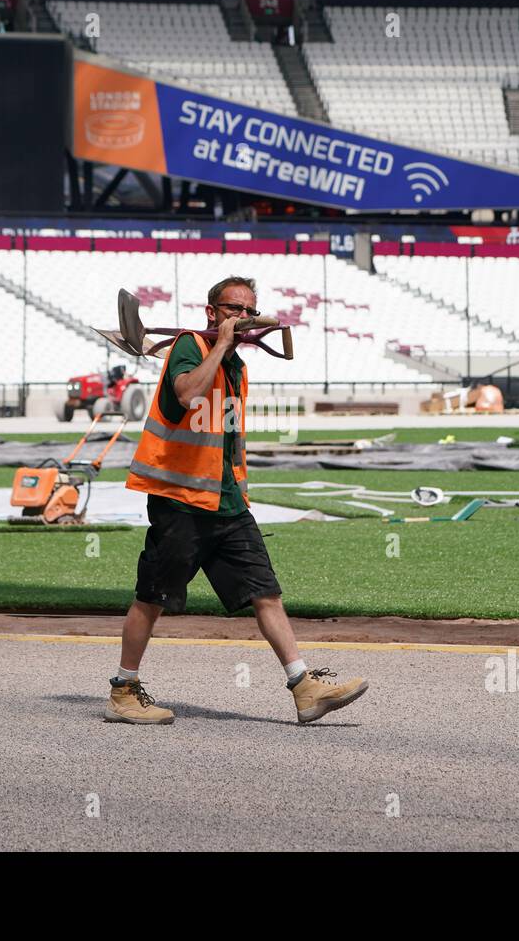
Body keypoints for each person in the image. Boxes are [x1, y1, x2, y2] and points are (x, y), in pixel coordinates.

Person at [105, 276, 369, 725]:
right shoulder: (189, 346)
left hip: (226, 502)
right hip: (180, 501)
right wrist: (220, 345)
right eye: (234, 310)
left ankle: (303, 686)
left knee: (266, 593)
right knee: (153, 597)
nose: (243, 318)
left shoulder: (237, 367)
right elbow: (187, 394)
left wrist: (228, 349)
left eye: (249, 311)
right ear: (212, 312)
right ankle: (123, 691)